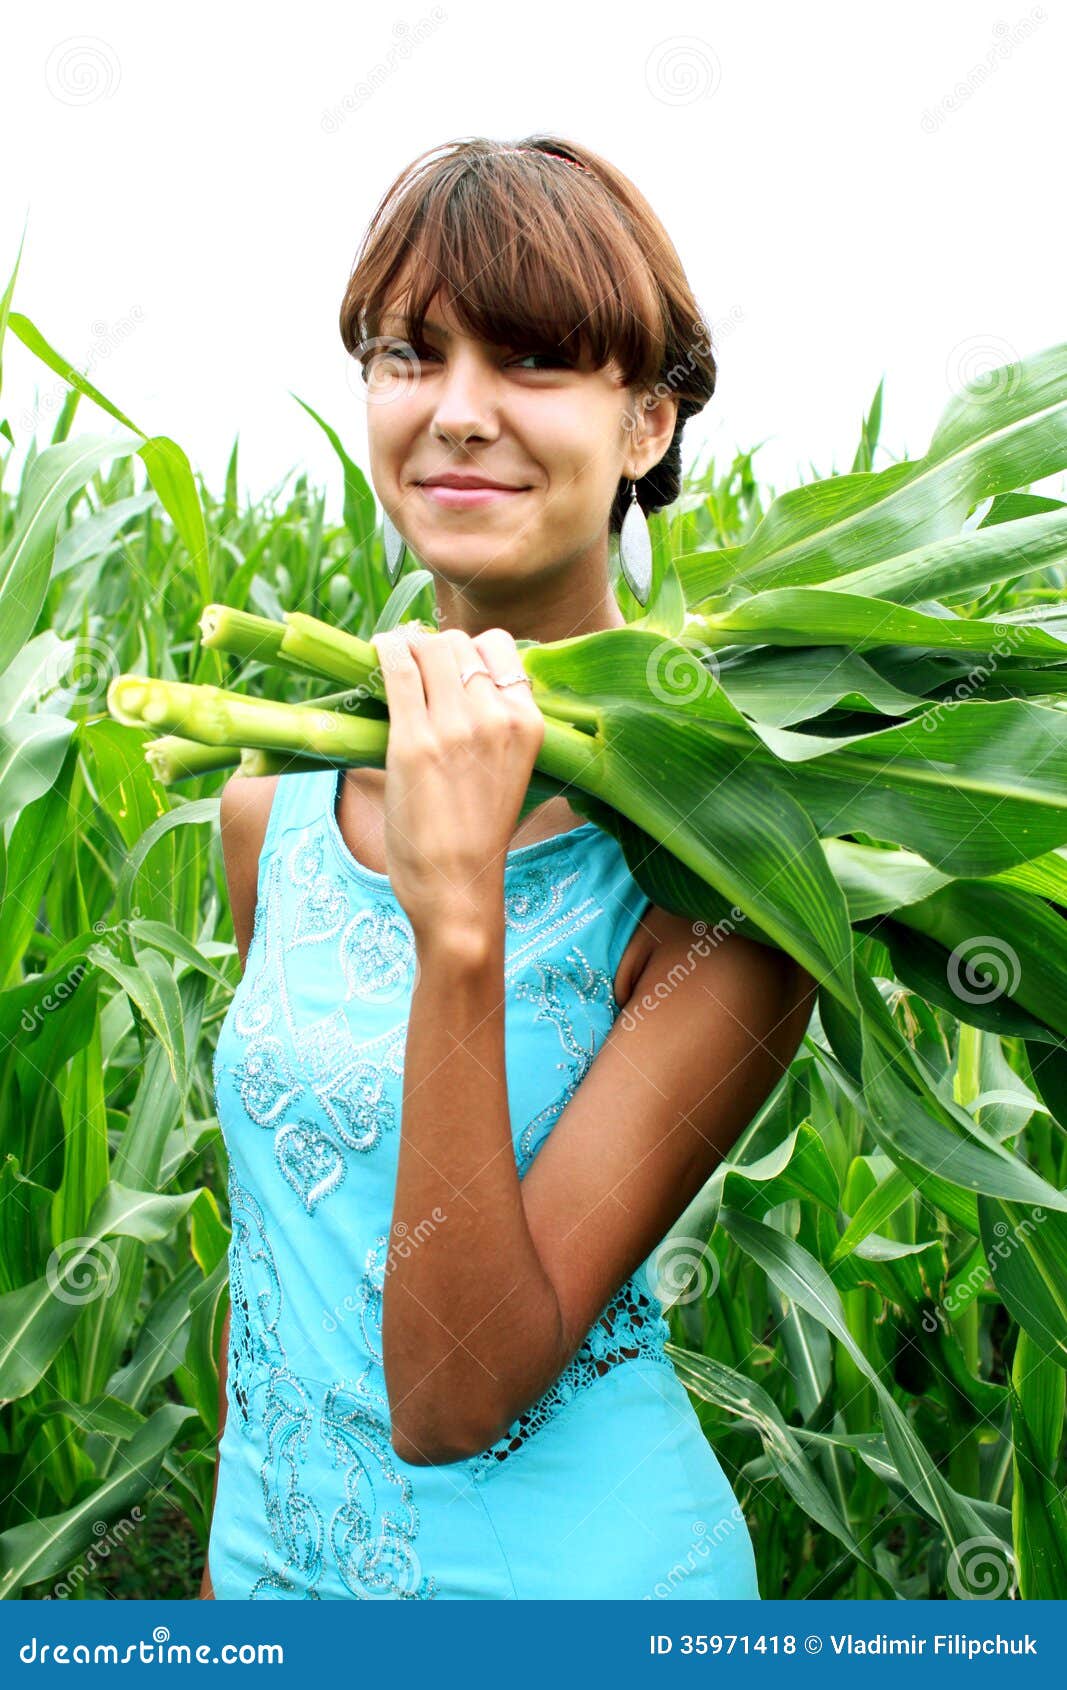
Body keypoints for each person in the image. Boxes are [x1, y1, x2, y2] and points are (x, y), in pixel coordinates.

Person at [200, 134, 816, 1601]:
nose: (459, 412)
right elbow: (282, 1255)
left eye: (534, 359)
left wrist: (459, 921)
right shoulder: (266, 812)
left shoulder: (720, 884)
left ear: (649, 424)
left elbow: (453, 1394)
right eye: (411, 353)